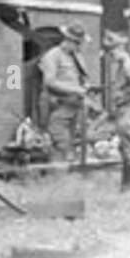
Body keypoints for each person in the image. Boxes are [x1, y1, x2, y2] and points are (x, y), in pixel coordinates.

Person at [102, 30, 130, 192]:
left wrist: (123, 99)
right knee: (125, 147)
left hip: (127, 111)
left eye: (113, 51)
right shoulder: (120, 64)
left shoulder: (126, 63)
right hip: (124, 111)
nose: (111, 55)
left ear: (120, 48)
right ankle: (128, 186)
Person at [39, 23, 91, 160]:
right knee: (60, 140)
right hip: (57, 105)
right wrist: (76, 89)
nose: (80, 47)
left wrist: (86, 85)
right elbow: (49, 82)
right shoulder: (52, 56)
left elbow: (81, 76)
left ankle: (67, 173)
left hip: (73, 106)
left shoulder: (76, 57)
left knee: (70, 142)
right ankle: (59, 175)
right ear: (69, 41)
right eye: (78, 44)